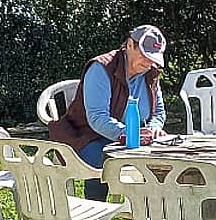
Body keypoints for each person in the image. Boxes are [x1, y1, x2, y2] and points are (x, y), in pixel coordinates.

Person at [48, 24, 168, 201]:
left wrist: (153, 128)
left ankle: (142, 218)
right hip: (85, 136)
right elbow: (97, 118)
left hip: (133, 138)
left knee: (166, 161)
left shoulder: (151, 73)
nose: (149, 62)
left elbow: (158, 111)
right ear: (129, 45)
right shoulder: (101, 68)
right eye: (144, 55)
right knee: (111, 162)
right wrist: (128, 134)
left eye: (153, 58)